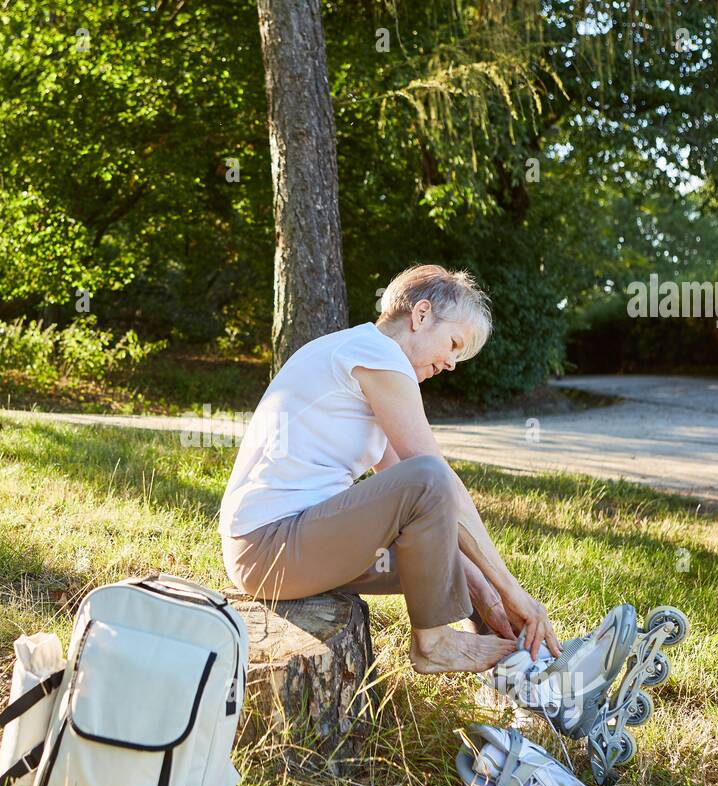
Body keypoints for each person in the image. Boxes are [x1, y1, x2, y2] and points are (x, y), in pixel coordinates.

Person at [219, 264, 561, 673]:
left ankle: (523, 668)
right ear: (420, 315)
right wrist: (516, 592)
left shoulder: (362, 357)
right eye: (453, 343)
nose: (452, 363)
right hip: (269, 548)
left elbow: (428, 516)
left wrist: (494, 598)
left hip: (286, 552)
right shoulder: (375, 353)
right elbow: (433, 481)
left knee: (449, 556)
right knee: (431, 475)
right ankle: (432, 643)